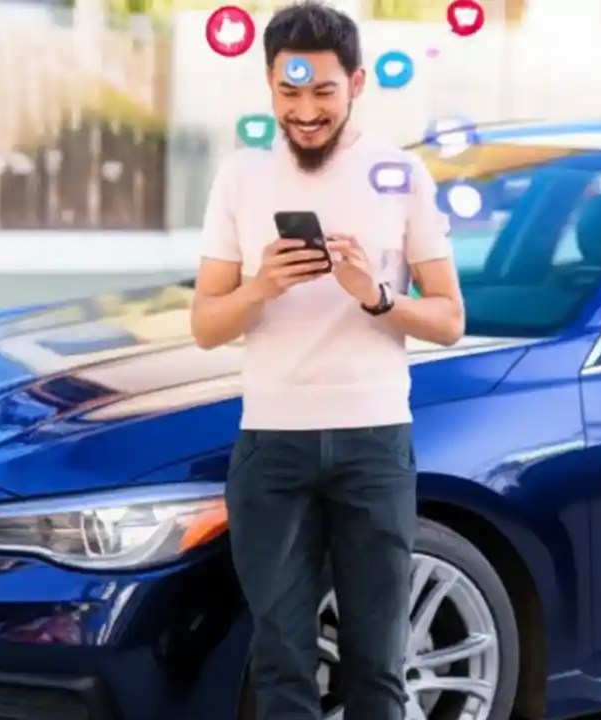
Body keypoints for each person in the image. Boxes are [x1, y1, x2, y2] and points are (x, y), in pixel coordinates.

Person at [188, 2, 465, 719]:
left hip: (373, 441)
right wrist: (262, 285)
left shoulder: (402, 176)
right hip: (272, 447)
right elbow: (206, 326)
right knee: (281, 659)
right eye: (289, 91)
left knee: (377, 662)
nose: (305, 110)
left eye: (322, 91)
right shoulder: (241, 178)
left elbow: (449, 320)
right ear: (270, 86)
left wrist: (374, 297)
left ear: (358, 84)